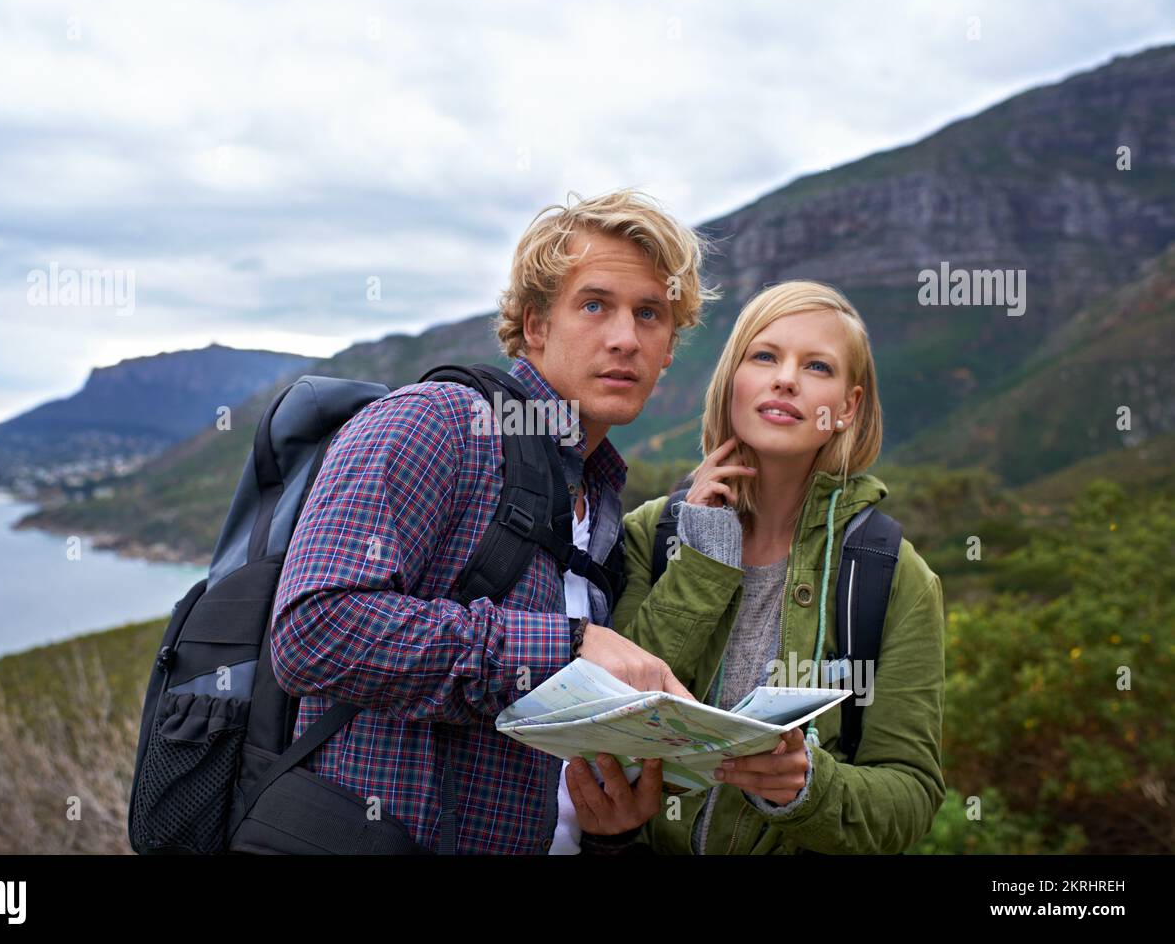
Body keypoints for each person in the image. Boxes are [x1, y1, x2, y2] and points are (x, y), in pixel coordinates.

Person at [270, 188, 715, 854]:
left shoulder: (600, 504)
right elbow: (312, 630)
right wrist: (567, 646)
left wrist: (606, 828)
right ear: (536, 324)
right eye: (595, 304)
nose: (625, 337)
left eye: (650, 314)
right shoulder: (439, 422)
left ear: (669, 349)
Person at [589, 280, 946, 855]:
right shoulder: (649, 535)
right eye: (765, 356)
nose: (786, 378)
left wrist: (808, 789)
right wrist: (703, 557)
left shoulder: (891, 574)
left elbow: (910, 793)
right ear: (733, 379)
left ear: (848, 407)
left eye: (817, 367)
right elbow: (606, 710)